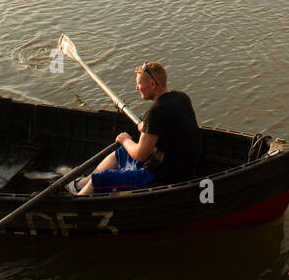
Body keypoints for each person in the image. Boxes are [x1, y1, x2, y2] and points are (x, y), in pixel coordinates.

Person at [71, 61, 201, 195]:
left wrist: (124, 139)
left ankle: (77, 202)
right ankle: (80, 184)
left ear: (152, 84)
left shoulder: (155, 112)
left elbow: (140, 155)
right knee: (122, 152)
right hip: (185, 167)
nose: (137, 88)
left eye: (139, 83)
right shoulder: (182, 97)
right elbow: (169, 126)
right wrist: (147, 128)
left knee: (99, 178)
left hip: (164, 176)